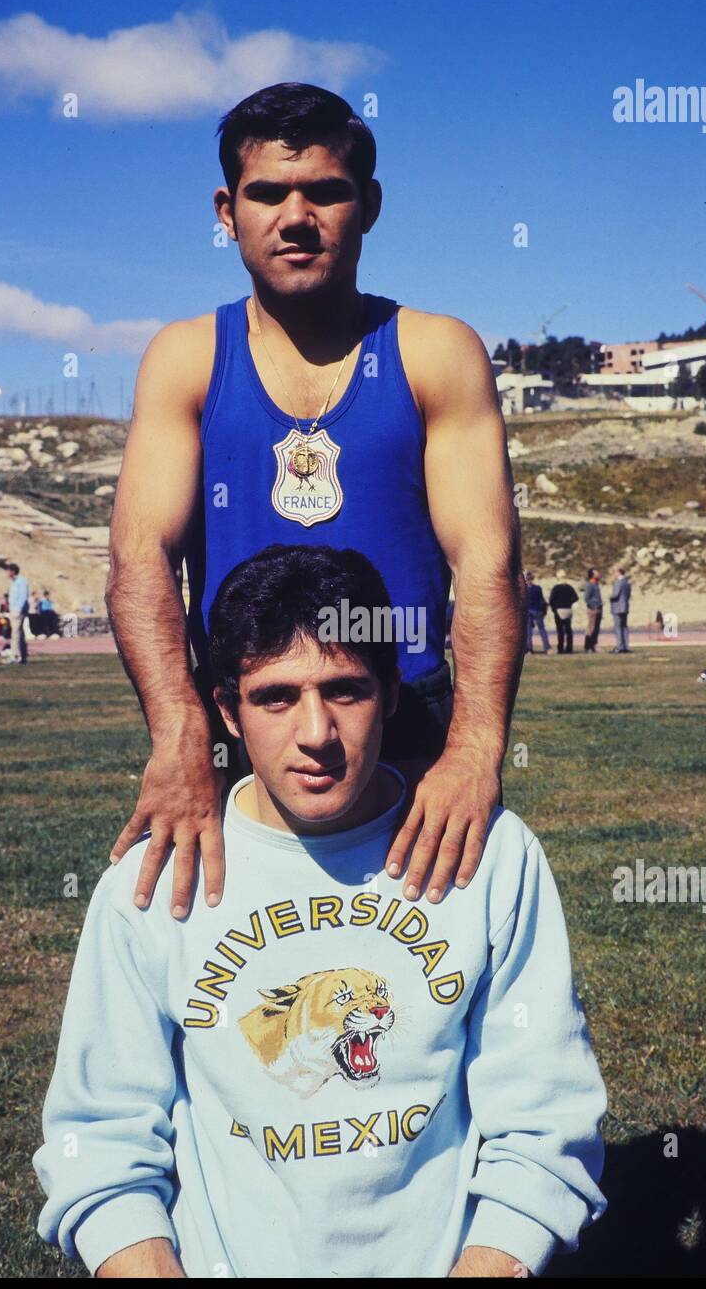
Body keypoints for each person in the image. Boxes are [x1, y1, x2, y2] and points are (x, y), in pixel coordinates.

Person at [34, 544, 608, 1279]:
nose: (315, 735)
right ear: (228, 713)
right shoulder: (155, 878)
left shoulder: (488, 858)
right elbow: (100, 1138)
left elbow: (544, 1120)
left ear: (394, 693)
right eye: (276, 697)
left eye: (346, 690)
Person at [105, 84, 525, 920]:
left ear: (368, 204)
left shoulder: (434, 351)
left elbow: (489, 561)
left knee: (426, 966)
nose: (296, 217)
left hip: (404, 717)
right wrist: (182, 734)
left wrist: (476, 748)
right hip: (244, 725)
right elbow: (138, 557)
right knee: (230, 965)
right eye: (267, 194)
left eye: (325, 191)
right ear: (227, 210)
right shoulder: (187, 358)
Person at [5, 563, 30, 664]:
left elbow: (23, 596)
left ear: (13, 571)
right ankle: (23, 655)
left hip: (17, 610)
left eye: (8, 571)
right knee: (20, 633)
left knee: (15, 634)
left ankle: (15, 656)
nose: (7, 573)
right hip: (13, 609)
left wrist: (18, 608)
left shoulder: (21, 582)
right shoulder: (13, 582)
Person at [549, 571, 578, 654]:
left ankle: (560, 648)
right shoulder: (569, 587)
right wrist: (569, 602)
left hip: (559, 610)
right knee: (568, 629)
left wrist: (554, 608)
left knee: (560, 630)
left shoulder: (556, 588)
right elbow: (576, 597)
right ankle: (569, 648)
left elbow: (551, 600)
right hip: (568, 610)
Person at [525, 571, 550, 653]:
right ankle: (547, 647)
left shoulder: (524, 589)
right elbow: (542, 600)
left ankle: (529, 649)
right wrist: (544, 610)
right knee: (542, 630)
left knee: (529, 631)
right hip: (538, 610)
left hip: (528, 611)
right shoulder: (538, 588)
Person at [608, 567, 631, 653]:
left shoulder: (618, 582)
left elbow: (615, 595)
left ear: (618, 572)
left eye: (614, 573)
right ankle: (625, 646)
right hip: (625, 606)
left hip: (617, 607)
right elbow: (628, 595)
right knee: (624, 627)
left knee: (618, 628)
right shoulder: (627, 582)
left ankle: (619, 646)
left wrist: (609, 597)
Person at [582, 569, 603, 652]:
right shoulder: (590, 585)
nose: (598, 574)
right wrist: (593, 606)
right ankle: (588, 646)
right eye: (596, 573)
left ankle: (594, 645)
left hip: (599, 608)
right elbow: (586, 598)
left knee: (596, 628)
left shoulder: (596, 584)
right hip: (593, 609)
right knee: (591, 628)